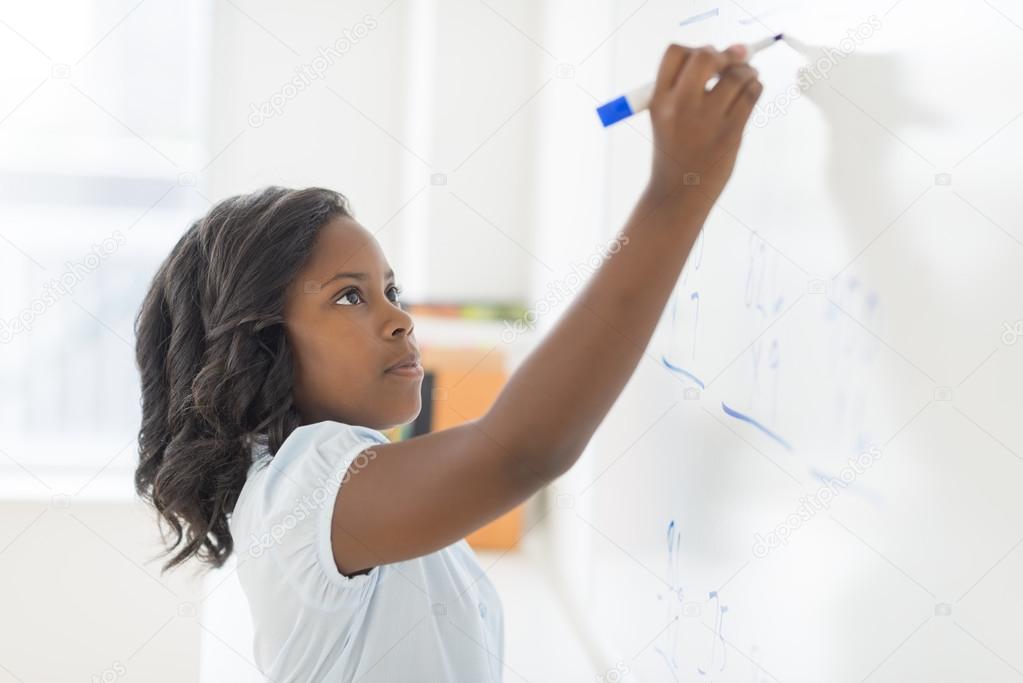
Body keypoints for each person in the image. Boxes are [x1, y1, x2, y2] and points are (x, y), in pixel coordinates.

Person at [133, 42, 762, 682]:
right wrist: (677, 190)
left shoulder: (336, 486)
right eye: (350, 296)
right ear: (260, 343)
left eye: (390, 290)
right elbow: (520, 451)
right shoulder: (302, 482)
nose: (400, 318)